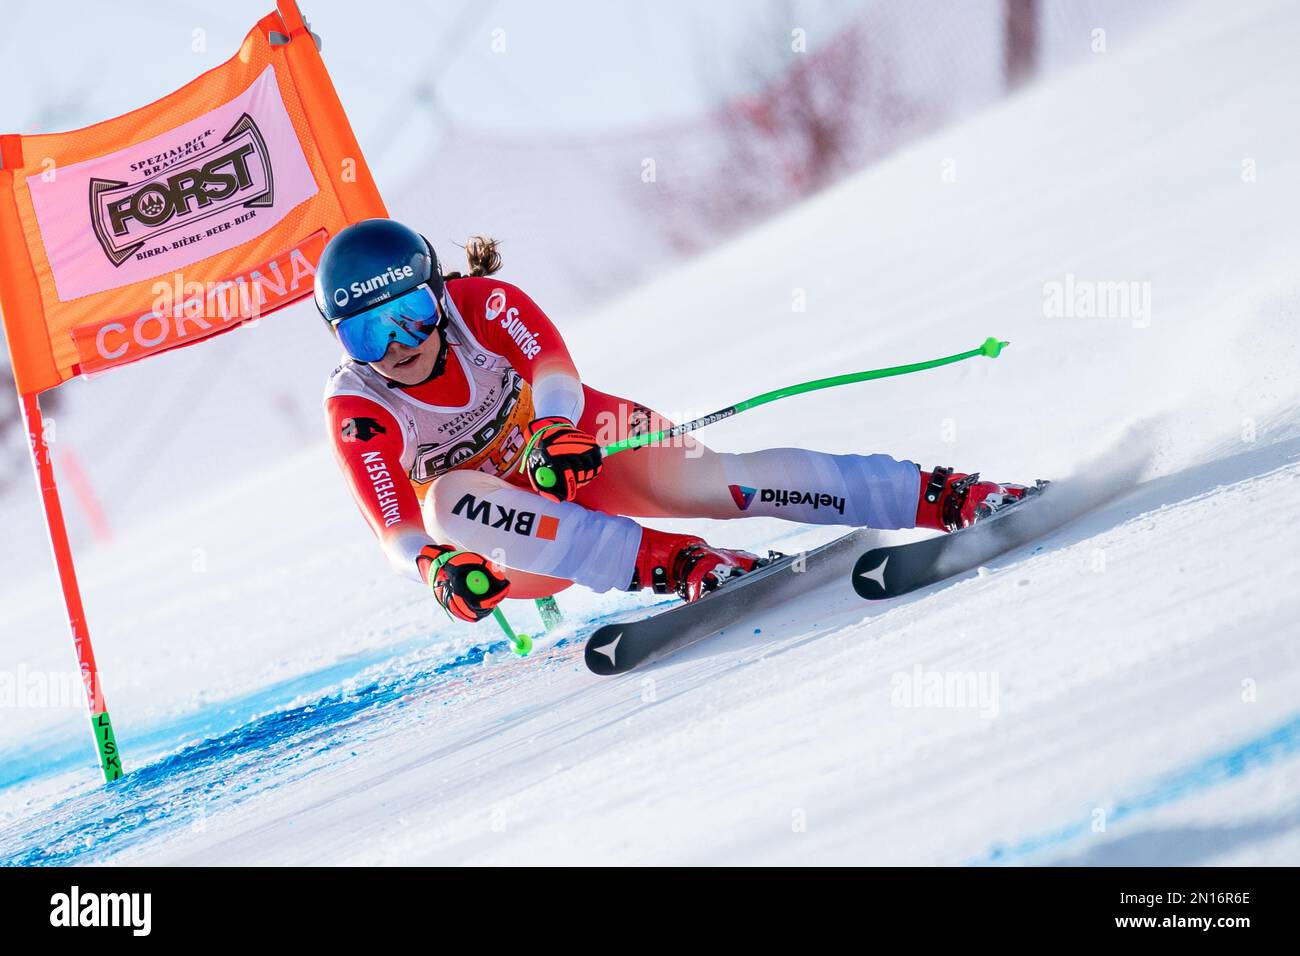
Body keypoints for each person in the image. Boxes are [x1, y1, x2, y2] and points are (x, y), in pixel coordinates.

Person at [317, 219, 1028, 623]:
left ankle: (939, 495)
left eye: (409, 314)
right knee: (444, 504)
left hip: (580, 450)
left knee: (716, 484)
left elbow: (554, 371)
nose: (400, 344)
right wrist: (436, 568)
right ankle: (671, 563)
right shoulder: (358, 406)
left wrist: (550, 434)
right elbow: (397, 532)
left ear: (439, 296)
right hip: (519, 541)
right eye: (367, 335)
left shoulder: (483, 304)